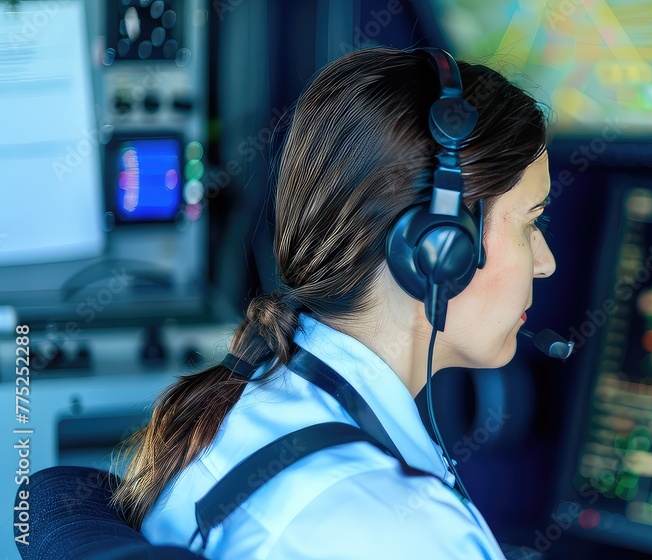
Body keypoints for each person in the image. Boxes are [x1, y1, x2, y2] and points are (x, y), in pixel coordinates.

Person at [110, 46, 556, 559]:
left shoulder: (246, 404)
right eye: (532, 222)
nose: (546, 262)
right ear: (437, 250)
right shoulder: (396, 529)